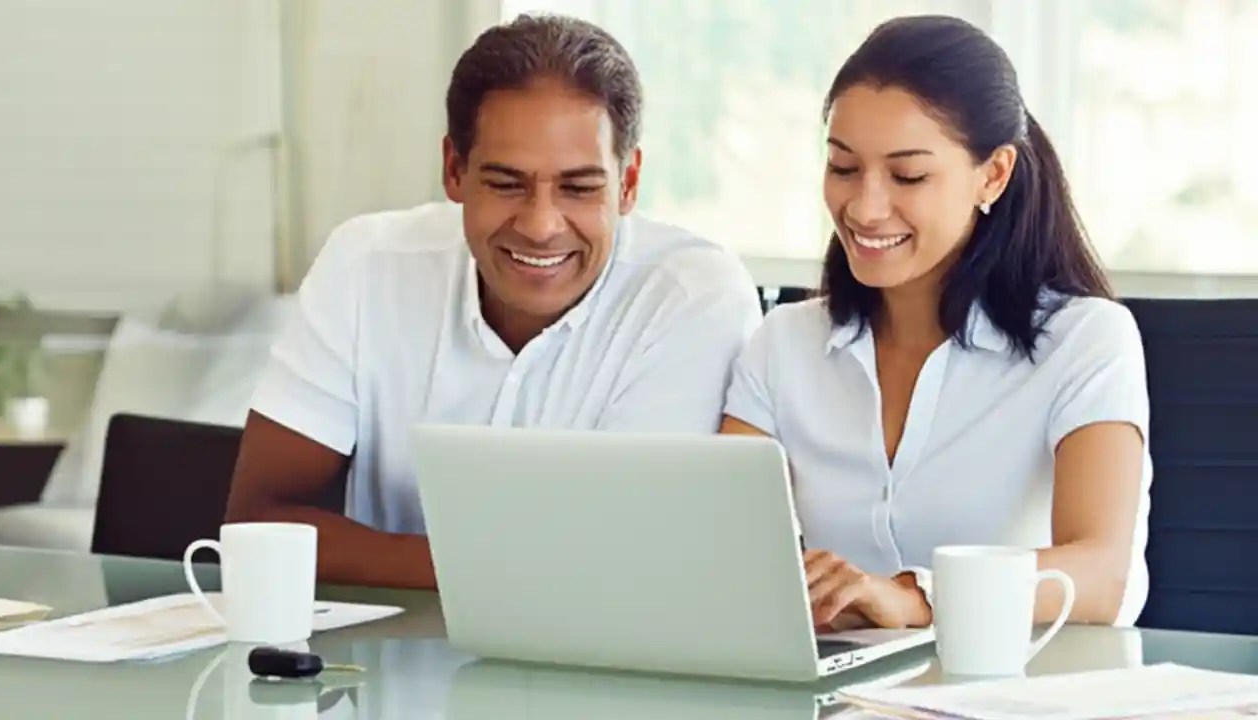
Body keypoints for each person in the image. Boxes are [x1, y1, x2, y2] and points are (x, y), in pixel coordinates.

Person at [226, 14, 761, 589]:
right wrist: (491, 572)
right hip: (378, 664)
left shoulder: (692, 299)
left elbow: (633, 563)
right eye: (507, 184)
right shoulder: (366, 265)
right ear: (454, 170)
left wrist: (455, 568)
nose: (540, 225)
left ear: (627, 183)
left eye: (580, 187)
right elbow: (258, 524)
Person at [722, 15, 1151, 630]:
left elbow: (1103, 577)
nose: (864, 208)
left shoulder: (1086, 341)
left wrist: (916, 597)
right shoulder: (782, 346)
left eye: (909, 176)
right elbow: (725, 557)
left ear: (993, 174)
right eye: (843, 168)